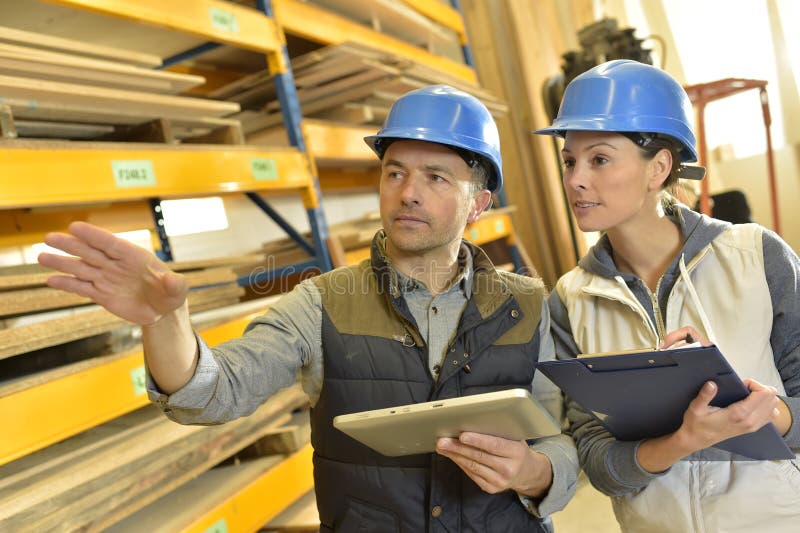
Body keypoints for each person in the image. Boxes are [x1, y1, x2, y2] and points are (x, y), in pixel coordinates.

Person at [39, 85, 578, 532]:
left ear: (479, 203)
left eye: (435, 176)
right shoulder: (322, 303)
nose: (408, 192)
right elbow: (215, 393)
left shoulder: (528, 305)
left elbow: (567, 437)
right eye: (394, 172)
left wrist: (534, 471)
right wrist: (165, 321)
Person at [534, 60, 800, 532]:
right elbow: (599, 462)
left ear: (658, 168)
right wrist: (684, 439)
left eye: (598, 159)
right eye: (569, 161)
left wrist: (768, 414)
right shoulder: (570, 299)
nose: (575, 179)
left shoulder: (757, 257)